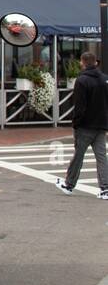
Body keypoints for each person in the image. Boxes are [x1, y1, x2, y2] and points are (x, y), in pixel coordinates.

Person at [54, 52, 108, 199]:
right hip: (101, 125)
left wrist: (76, 123)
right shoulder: (104, 79)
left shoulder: (82, 80)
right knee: (102, 157)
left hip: (85, 125)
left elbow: (79, 106)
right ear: (95, 62)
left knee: (78, 156)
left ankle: (69, 184)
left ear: (82, 62)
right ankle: (105, 188)